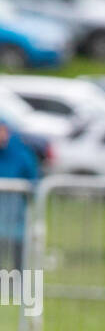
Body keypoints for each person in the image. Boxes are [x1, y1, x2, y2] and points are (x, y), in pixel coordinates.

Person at [0, 117, 39, 276]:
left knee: (18, 254)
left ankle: (17, 285)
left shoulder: (22, 153)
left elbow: (34, 181)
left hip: (15, 217)